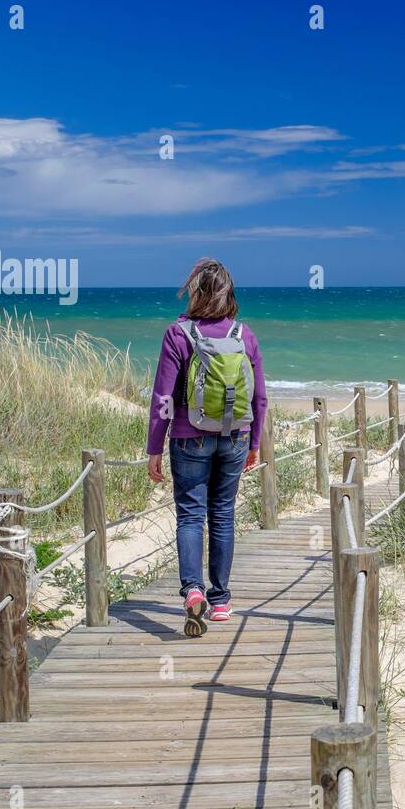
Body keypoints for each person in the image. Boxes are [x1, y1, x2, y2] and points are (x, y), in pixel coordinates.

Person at [147, 258, 267, 636]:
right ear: (229, 294)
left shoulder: (177, 334)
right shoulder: (244, 335)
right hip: (235, 436)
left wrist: (154, 446)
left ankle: (192, 590)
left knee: (190, 515)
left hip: (189, 437)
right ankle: (220, 601)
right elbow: (260, 397)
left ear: (195, 292)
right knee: (222, 514)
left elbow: (163, 397)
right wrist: (255, 442)